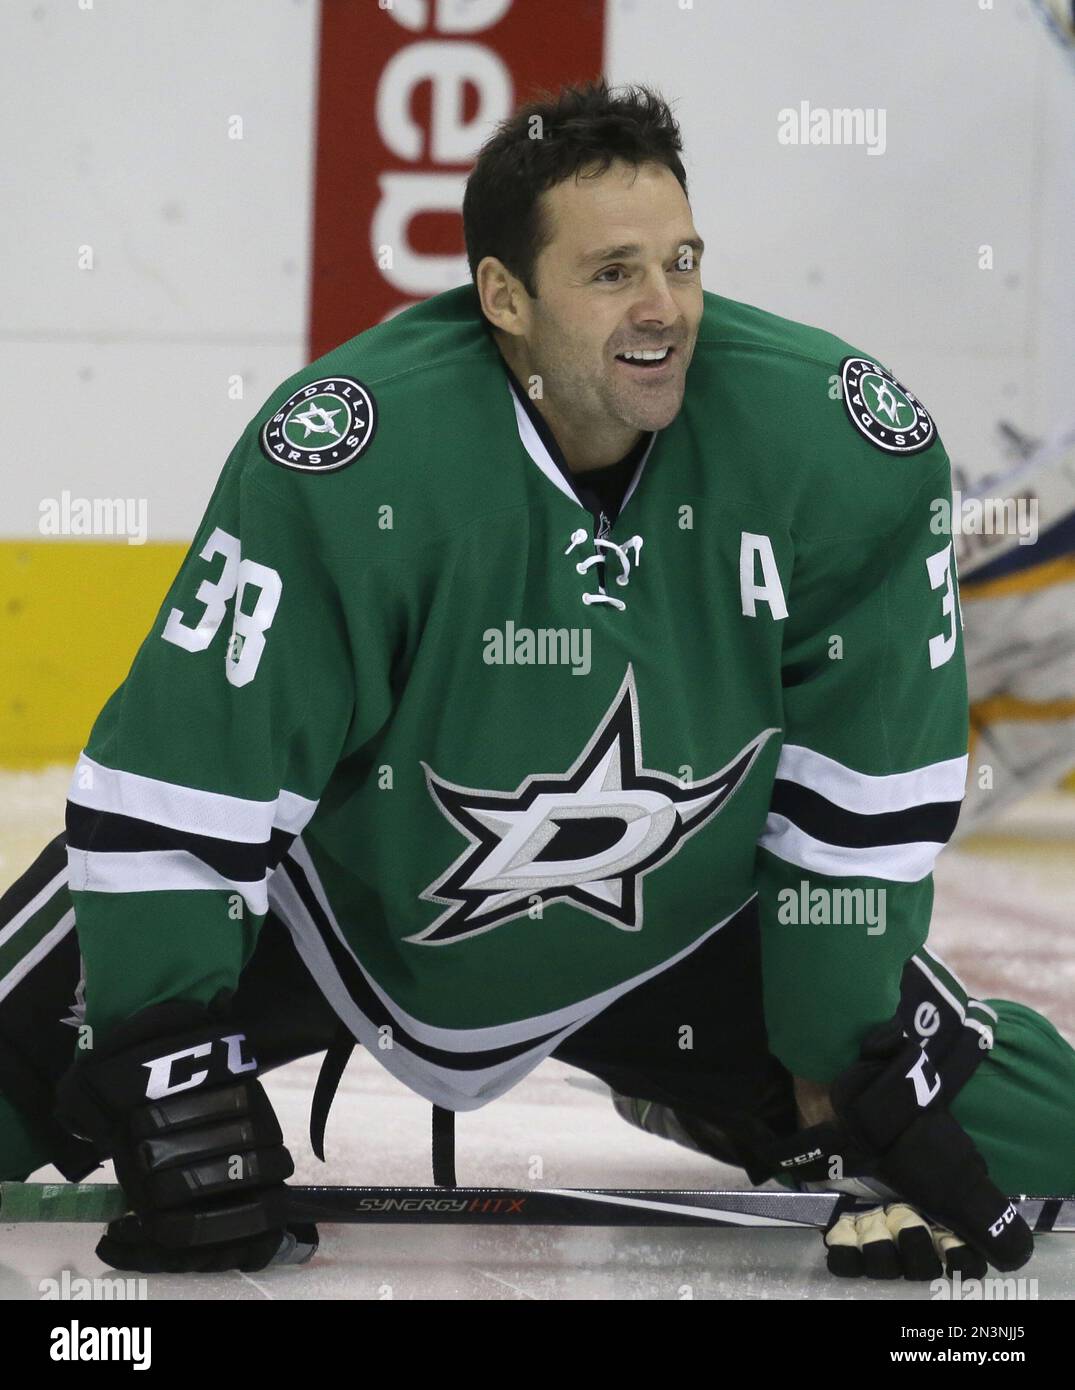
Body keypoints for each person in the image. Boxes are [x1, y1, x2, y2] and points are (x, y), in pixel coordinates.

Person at [1, 81, 1072, 1280]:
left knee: (1027, 1129)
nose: (664, 306)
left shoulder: (835, 447)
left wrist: (852, 1089)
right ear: (503, 297)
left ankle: (725, 1094)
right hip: (334, 902)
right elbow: (182, 781)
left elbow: (863, 806)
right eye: (611, 272)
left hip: (680, 911)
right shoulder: (353, 457)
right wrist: (167, 1065)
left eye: (681, 259)